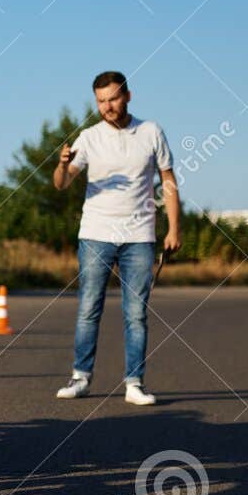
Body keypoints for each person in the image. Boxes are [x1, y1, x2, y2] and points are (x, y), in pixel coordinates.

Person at [50, 70, 181, 405]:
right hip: (96, 234)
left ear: (128, 96)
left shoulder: (151, 131)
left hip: (140, 236)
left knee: (135, 312)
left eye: (113, 99)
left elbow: (168, 181)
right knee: (88, 309)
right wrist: (63, 165)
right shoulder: (89, 137)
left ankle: (134, 383)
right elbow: (61, 183)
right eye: (101, 101)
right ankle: (80, 377)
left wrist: (174, 228)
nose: (107, 106)